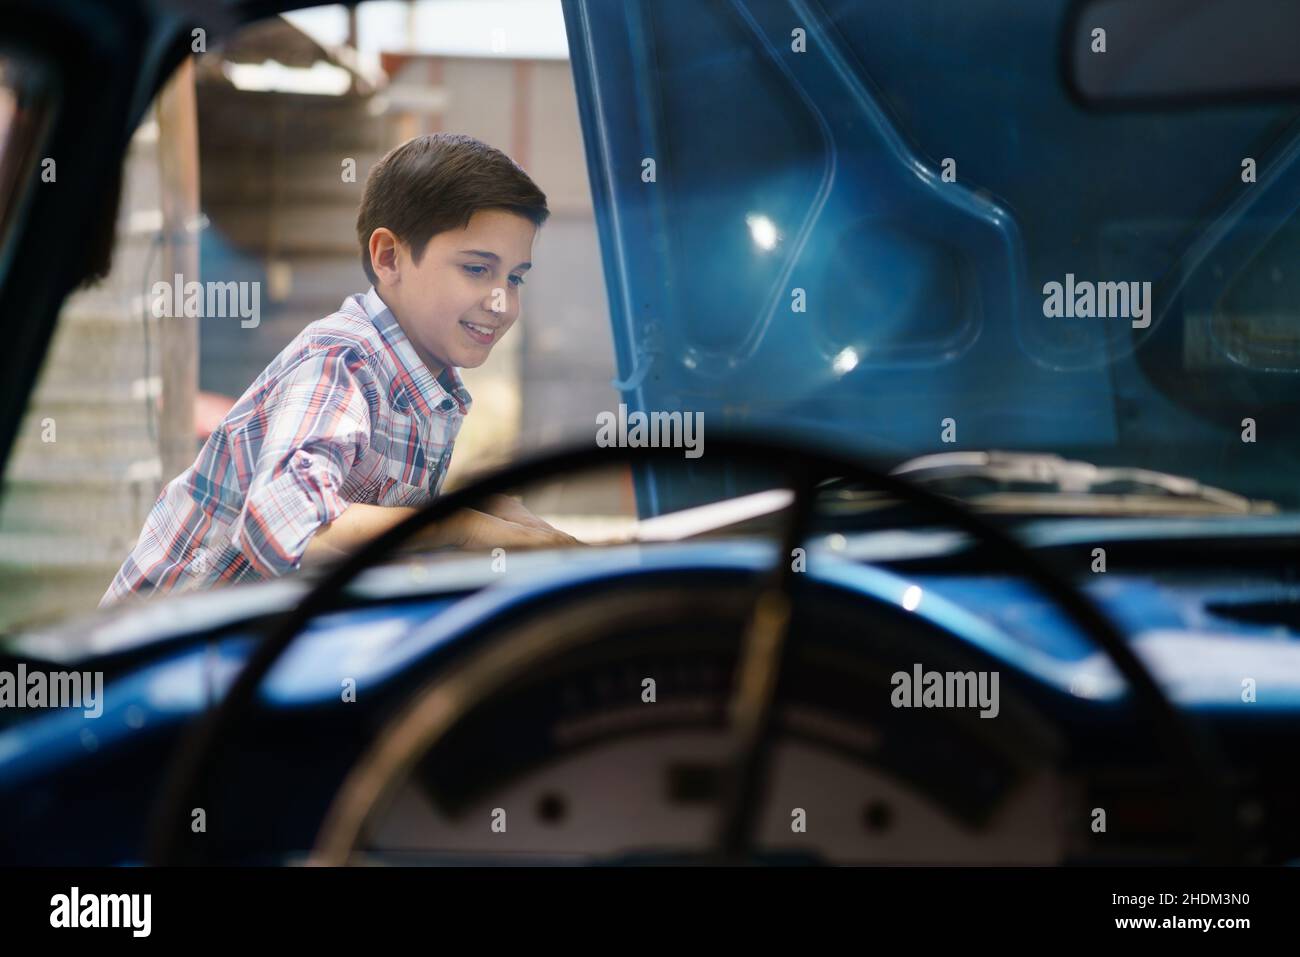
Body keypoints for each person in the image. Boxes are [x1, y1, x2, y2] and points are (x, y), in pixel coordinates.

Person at [102, 133, 578, 605]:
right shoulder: (342, 360)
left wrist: (497, 516)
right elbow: (286, 525)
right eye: (477, 269)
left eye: (514, 278)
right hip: (165, 652)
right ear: (388, 257)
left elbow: (384, 515)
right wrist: (468, 528)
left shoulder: (429, 385)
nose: (501, 302)